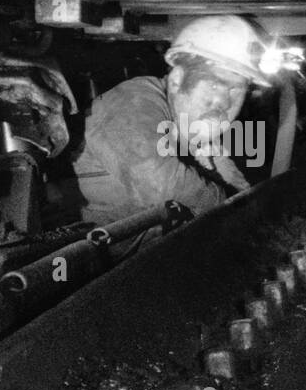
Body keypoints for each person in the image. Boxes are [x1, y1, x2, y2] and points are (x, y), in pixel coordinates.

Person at [70, 15, 279, 241]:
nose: (223, 102)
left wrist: (258, 216)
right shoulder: (131, 104)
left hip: (162, 247)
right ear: (178, 79)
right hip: (115, 256)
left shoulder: (192, 121)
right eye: (214, 85)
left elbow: (229, 177)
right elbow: (160, 185)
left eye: (235, 91)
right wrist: (241, 219)